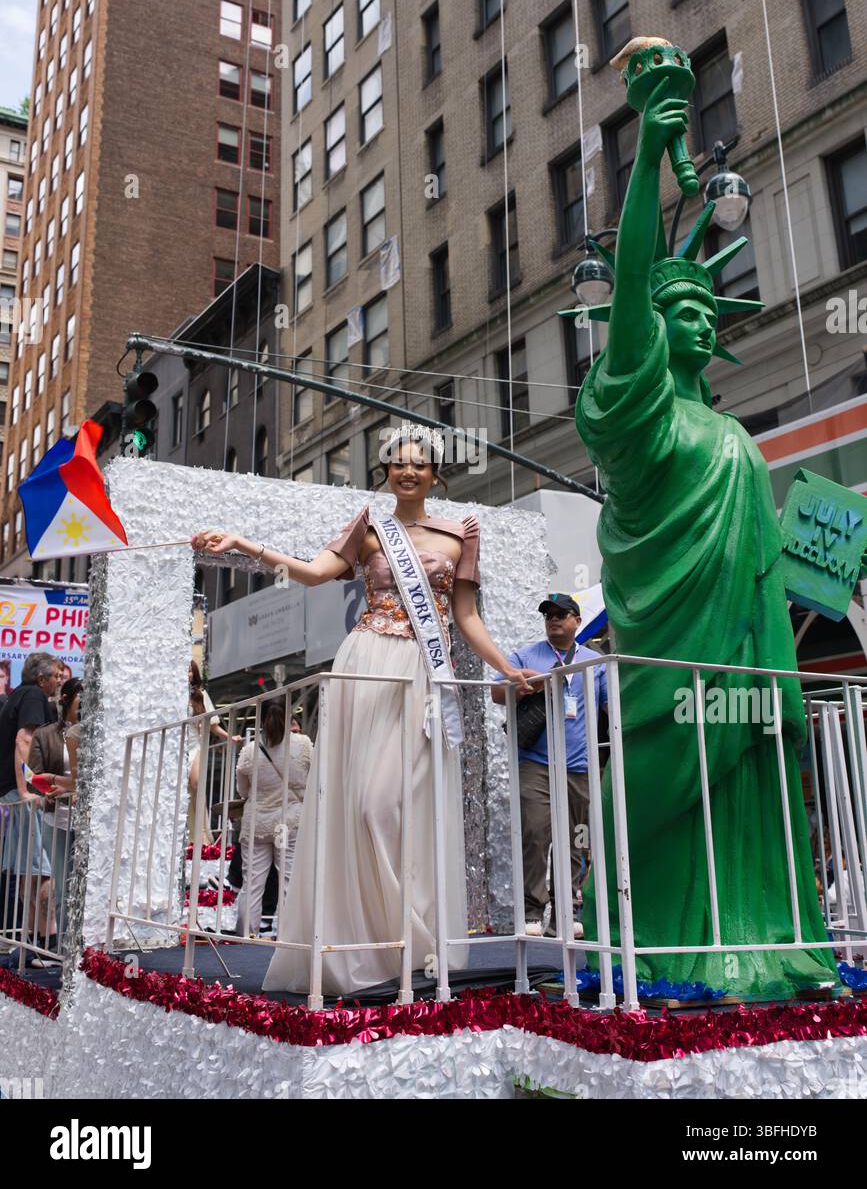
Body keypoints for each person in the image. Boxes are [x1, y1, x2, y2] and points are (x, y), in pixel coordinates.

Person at [572, 56, 841, 998]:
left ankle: (765, 937)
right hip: (674, 662)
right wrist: (649, 144)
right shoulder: (639, 412)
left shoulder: (729, 429)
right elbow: (640, 267)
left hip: (752, 659)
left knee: (755, 787)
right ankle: (654, 938)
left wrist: (801, 617)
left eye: (701, 310)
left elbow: (762, 549)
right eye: (670, 310)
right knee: (667, 776)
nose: (689, 318)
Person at [192, 424, 534, 994]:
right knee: (360, 806)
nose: (407, 472)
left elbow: (467, 617)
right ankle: (372, 942)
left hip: (425, 672)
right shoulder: (369, 526)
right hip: (366, 665)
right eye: (397, 463)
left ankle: (415, 932)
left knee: (403, 802)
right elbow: (312, 573)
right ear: (386, 471)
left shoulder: (461, 534)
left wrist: (505, 666)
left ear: (434, 472)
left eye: (419, 465)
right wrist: (244, 545)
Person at [492, 594, 607, 938]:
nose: (553, 620)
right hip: (536, 762)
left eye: (561, 615)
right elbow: (497, 693)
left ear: (576, 621)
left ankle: (567, 911)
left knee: (575, 838)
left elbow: (606, 706)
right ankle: (532, 910)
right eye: (548, 615)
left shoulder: (594, 660)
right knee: (534, 833)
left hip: (579, 764)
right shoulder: (525, 656)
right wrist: (522, 685)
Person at [0, 653, 64, 957]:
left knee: (29, 871)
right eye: (55, 675)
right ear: (41, 679)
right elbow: (23, 741)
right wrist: (28, 791)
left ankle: (32, 943)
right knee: (43, 869)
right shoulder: (33, 696)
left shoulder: (20, 696)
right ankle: (47, 943)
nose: (59, 680)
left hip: (13, 794)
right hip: (21, 795)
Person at [235, 700, 313, 939]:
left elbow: (243, 791)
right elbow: (314, 779)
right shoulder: (303, 745)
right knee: (289, 880)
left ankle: (246, 935)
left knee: (253, 883)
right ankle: (289, 937)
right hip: (289, 821)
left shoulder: (250, 750)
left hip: (257, 822)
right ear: (290, 718)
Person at [29, 677, 82, 952]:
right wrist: (50, 786)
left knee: (84, 887)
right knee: (63, 885)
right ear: (66, 699)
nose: (85, 704)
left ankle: (84, 947)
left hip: (86, 820)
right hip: (57, 816)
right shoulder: (46, 733)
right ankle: (65, 948)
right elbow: (33, 777)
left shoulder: (96, 732)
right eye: (80, 698)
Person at [187, 660, 241, 845]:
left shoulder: (200, 695)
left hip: (195, 746)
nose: (187, 675)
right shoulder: (170, 694)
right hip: (178, 747)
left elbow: (213, 724)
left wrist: (230, 737)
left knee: (195, 784)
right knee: (185, 792)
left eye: (190, 671)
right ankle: (191, 836)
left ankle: (202, 836)